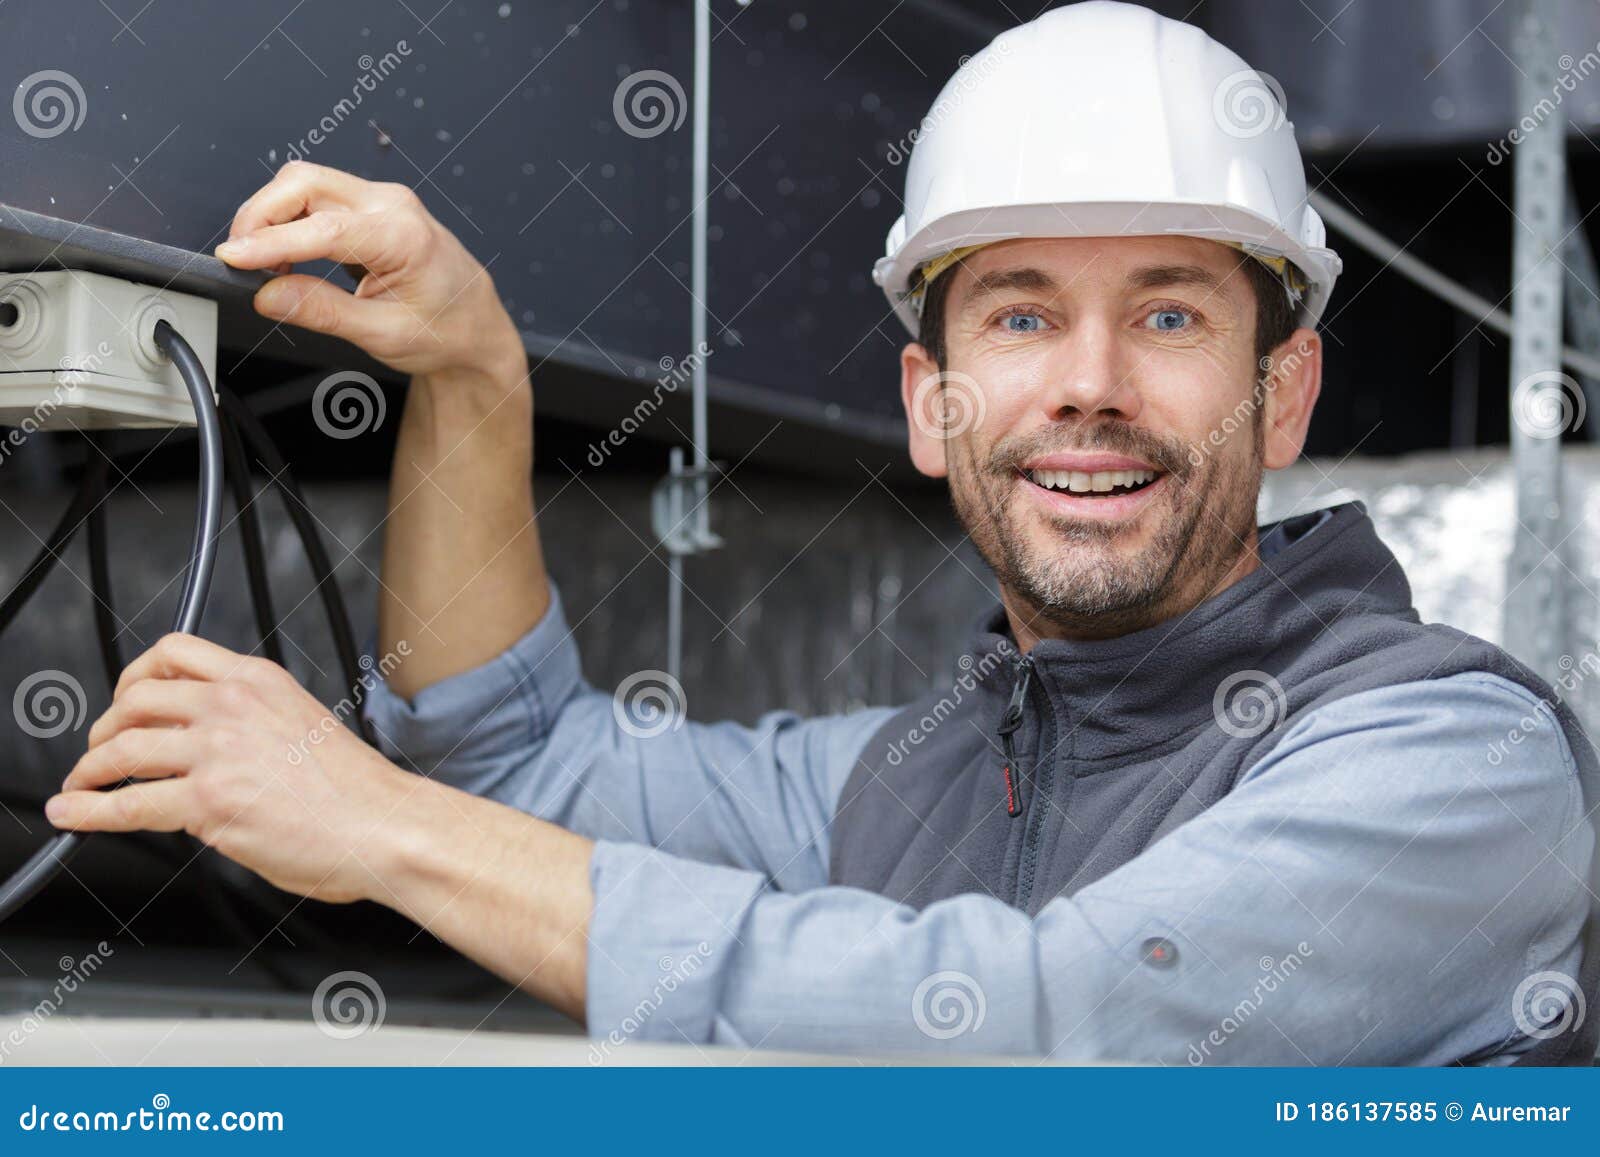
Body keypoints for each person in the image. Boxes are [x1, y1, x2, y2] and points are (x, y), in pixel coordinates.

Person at [45, 1, 1598, 1063]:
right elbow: (520, 778)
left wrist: (376, 821)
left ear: (1285, 390)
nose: (1091, 387)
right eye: (1022, 314)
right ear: (933, 404)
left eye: (1172, 313)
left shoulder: (1454, 761)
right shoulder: (907, 781)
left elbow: (1052, 1032)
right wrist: (474, 374)